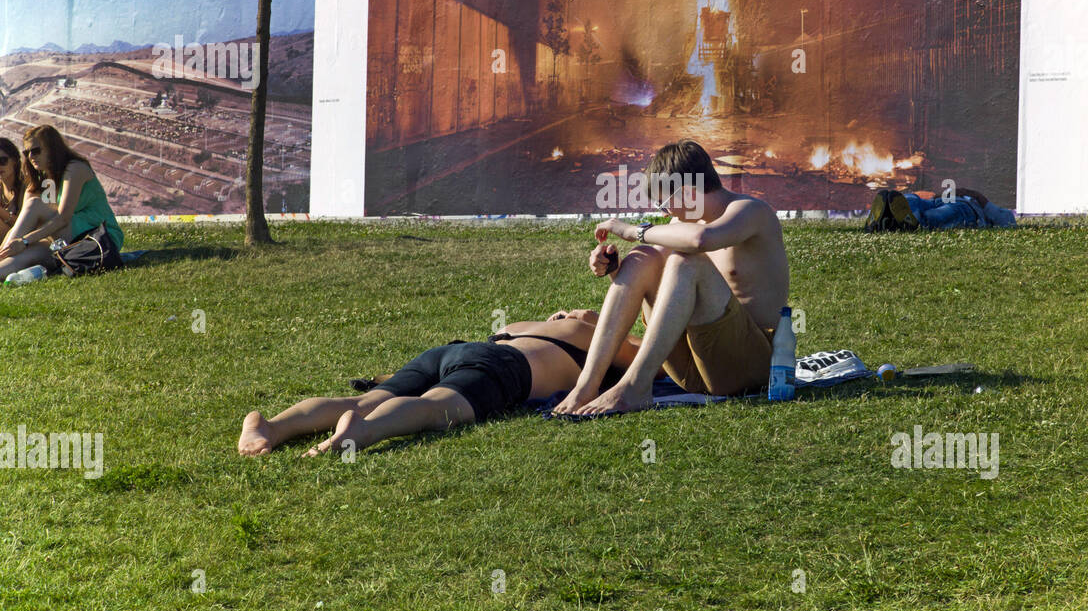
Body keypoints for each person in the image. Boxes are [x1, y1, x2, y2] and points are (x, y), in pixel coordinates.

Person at [552, 139, 790, 417]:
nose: (663, 214)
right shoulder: (683, 222)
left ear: (688, 192)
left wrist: (631, 230)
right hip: (693, 370)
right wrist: (613, 267)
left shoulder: (750, 211)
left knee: (684, 261)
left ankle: (634, 386)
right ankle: (585, 387)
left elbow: (702, 239)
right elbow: (651, 279)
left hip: (748, 367)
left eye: (664, 205)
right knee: (642, 257)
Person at [237, 310, 651, 456]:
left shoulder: (530, 324)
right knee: (437, 409)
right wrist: (596, 321)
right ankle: (363, 432)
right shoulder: (593, 336)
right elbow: (649, 358)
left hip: (453, 350)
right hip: (504, 366)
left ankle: (270, 425)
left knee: (363, 398)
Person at [0, 125, 125, 281]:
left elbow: (62, 217)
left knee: (34, 205)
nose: (31, 156)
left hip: (99, 236)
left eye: (36, 150)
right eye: (27, 152)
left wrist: (24, 241)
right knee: (22, 257)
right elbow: (32, 218)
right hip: (66, 240)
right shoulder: (45, 177)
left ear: (52, 149)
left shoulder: (75, 168)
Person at [865, 185, 1016, 232]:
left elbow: (1005, 219)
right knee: (911, 199)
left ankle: (887, 220)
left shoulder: (973, 199)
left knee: (936, 214)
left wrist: (975, 194)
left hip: (961, 205)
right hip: (939, 199)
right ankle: (891, 214)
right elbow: (1005, 219)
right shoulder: (969, 197)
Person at [0, 138, 22, 237]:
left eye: (2, 161)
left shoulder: (27, 188)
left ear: (14, 161)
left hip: (21, 240)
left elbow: (26, 225)